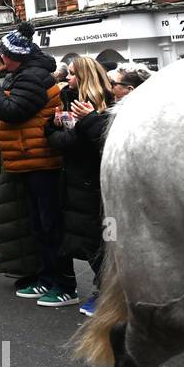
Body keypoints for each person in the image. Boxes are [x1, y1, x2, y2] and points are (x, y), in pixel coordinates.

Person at [0, 22, 77, 306]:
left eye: (3, 53)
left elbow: (12, 111)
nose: (0, 58)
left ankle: (65, 285)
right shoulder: (25, 74)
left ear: (15, 56)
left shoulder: (32, 77)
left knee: (50, 226)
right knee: (39, 225)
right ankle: (46, 278)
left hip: (43, 162)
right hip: (30, 159)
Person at [45, 57, 115, 316]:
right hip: (73, 179)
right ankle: (95, 289)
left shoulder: (107, 103)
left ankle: (108, 293)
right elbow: (63, 138)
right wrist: (53, 127)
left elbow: (86, 141)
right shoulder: (70, 99)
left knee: (99, 239)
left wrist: (84, 122)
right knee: (83, 237)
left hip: (95, 181)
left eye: (72, 74)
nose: (67, 79)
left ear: (85, 77)